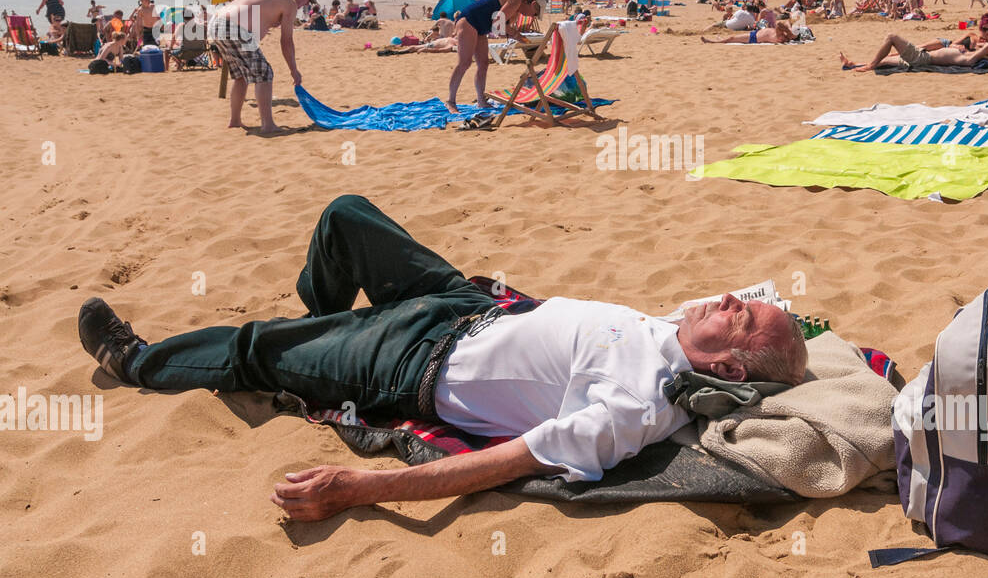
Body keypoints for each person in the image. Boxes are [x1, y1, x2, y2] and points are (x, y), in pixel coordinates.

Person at [76, 194, 808, 522]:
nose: (724, 296)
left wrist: (357, 486)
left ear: (732, 369)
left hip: (416, 361)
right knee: (345, 216)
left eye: (738, 312)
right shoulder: (678, 324)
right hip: (465, 305)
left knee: (254, 347)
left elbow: (511, 460)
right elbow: (793, 328)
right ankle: (323, 333)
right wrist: (785, 323)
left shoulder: (638, 406)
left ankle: (136, 360)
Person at [207, 0, 311, 133]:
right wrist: (293, 69)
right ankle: (268, 125)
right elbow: (286, 41)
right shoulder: (290, 2)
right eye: (307, 0)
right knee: (264, 73)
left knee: (241, 76)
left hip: (216, 23)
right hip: (233, 27)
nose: (304, 5)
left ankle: (235, 121)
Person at [447, 0, 543, 109]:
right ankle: (450, 101)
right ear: (533, 5)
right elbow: (497, 23)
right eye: (534, 14)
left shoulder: (516, 9)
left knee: (483, 64)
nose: (531, 17)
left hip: (480, 27)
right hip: (469, 21)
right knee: (464, 63)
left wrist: (515, 35)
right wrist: (516, 34)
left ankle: (481, 101)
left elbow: (499, 29)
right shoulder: (516, 1)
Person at [839, 13, 988, 71]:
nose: (986, 32)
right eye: (985, 29)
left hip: (923, 59)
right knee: (885, 61)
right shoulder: (971, 44)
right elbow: (954, 44)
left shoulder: (971, 57)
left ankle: (869, 66)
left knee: (891, 37)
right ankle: (853, 64)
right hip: (925, 55)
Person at [701, 20, 798, 44]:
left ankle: (712, 42)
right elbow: (786, 22)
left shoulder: (779, 37)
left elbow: (779, 25)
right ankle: (720, 39)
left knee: (732, 38)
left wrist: (789, 31)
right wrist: (789, 29)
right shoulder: (782, 34)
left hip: (754, 38)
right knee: (732, 38)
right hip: (755, 33)